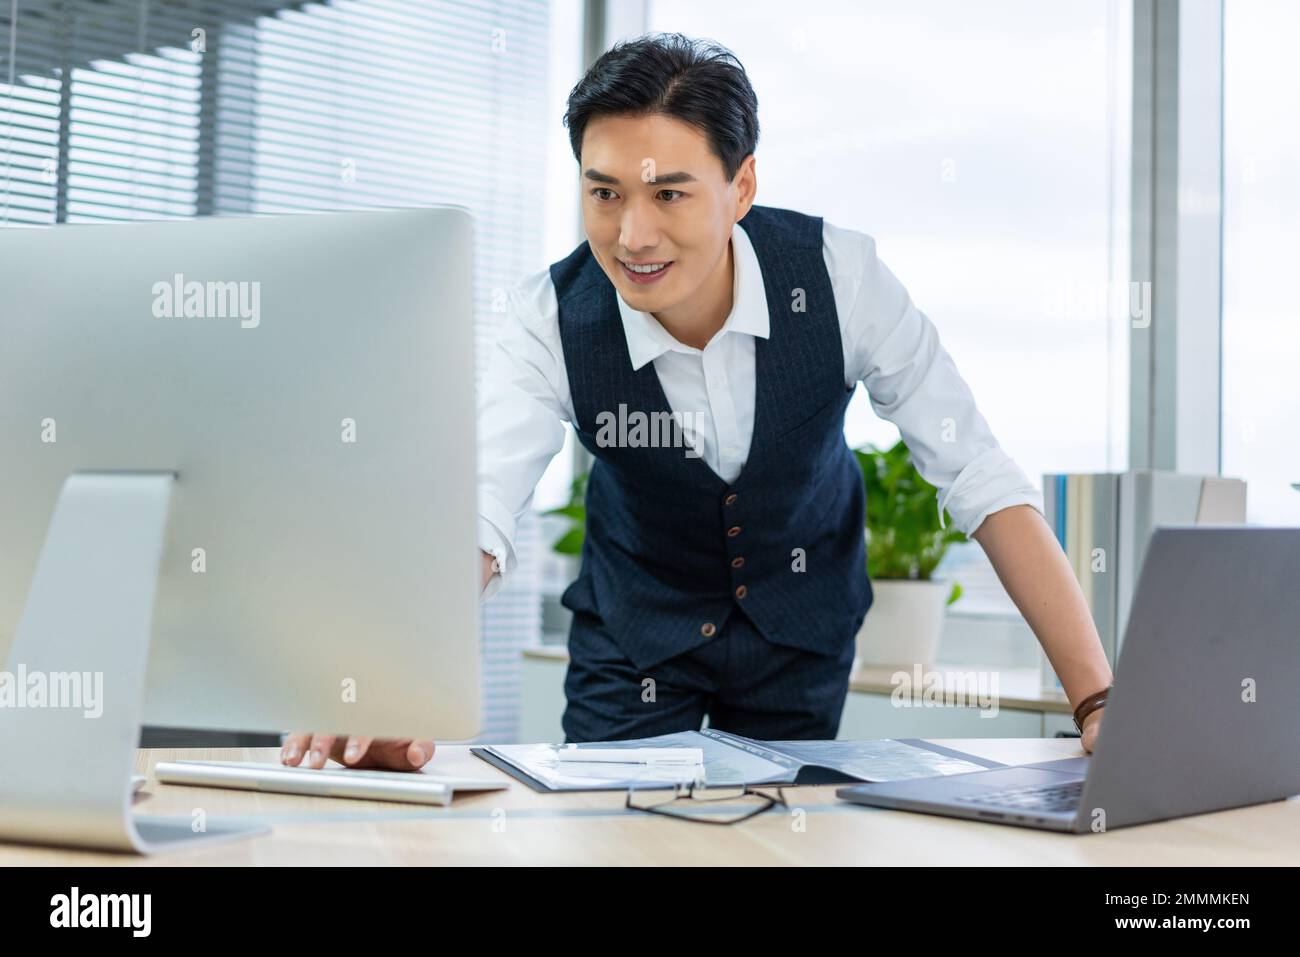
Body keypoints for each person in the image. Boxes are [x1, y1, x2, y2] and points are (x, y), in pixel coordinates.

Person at [282, 33, 1111, 772]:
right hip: (633, 638)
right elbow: (481, 508)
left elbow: (980, 477)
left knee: (783, 839)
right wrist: (386, 679)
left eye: (669, 194)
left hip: (800, 627)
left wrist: (1097, 702)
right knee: (608, 839)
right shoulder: (550, 318)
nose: (632, 235)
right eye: (604, 193)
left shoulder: (840, 279)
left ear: (740, 187)